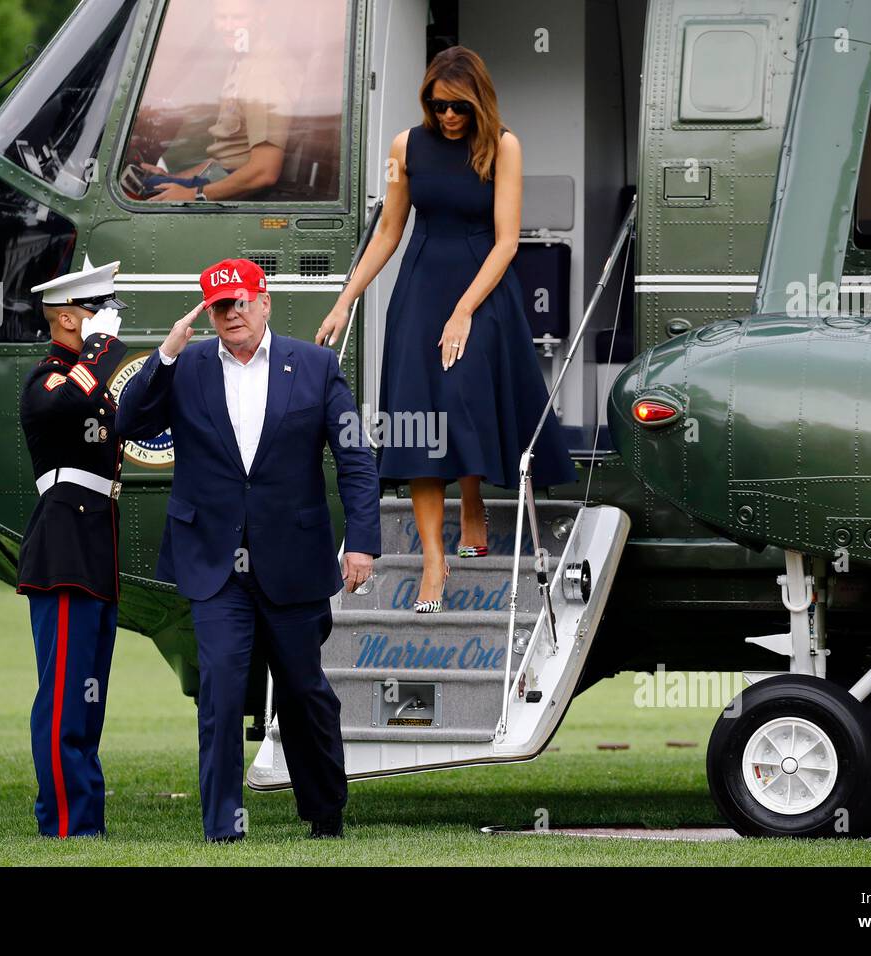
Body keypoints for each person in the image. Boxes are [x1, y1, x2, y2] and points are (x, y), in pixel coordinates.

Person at [116, 257, 380, 842]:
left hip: (294, 560)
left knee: (304, 690)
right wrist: (163, 355)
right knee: (221, 688)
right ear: (207, 313)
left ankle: (324, 816)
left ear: (264, 302)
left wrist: (361, 541)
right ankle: (222, 828)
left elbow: (356, 457)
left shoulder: (315, 366)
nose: (231, 312)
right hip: (214, 564)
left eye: (240, 301)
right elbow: (127, 423)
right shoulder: (183, 369)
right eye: (219, 305)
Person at [315, 45, 577, 613]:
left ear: (476, 100)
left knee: (461, 397)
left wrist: (464, 311)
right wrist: (346, 299)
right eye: (437, 106)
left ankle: (473, 495)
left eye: (458, 106)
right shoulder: (404, 146)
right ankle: (435, 560)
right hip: (420, 286)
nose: (448, 116)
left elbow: (508, 239)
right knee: (417, 417)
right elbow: (388, 230)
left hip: (484, 287)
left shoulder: (504, 145)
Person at [17, 259, 132, 838]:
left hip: (93, 551)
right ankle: (64, 821)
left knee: (88, 699)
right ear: (68, 317)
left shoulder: (84, 380)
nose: (103, 318)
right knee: (63, 699)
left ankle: (84, 816)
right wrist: (98, 349)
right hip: (63, 552)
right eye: (94, 309)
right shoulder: (48, 380)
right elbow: (65, 403)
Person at [142, 0, 294, 202]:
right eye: (222, 17)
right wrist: (173, 179)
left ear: (261, 16)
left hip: (242, 192)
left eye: (239, 17)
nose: (229, 26)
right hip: (222, 175)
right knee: (151, 183)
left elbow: (264, 171)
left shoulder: (262, 74)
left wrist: (192, 196)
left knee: (142, 192)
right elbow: (225, 157)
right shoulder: (242, 61)